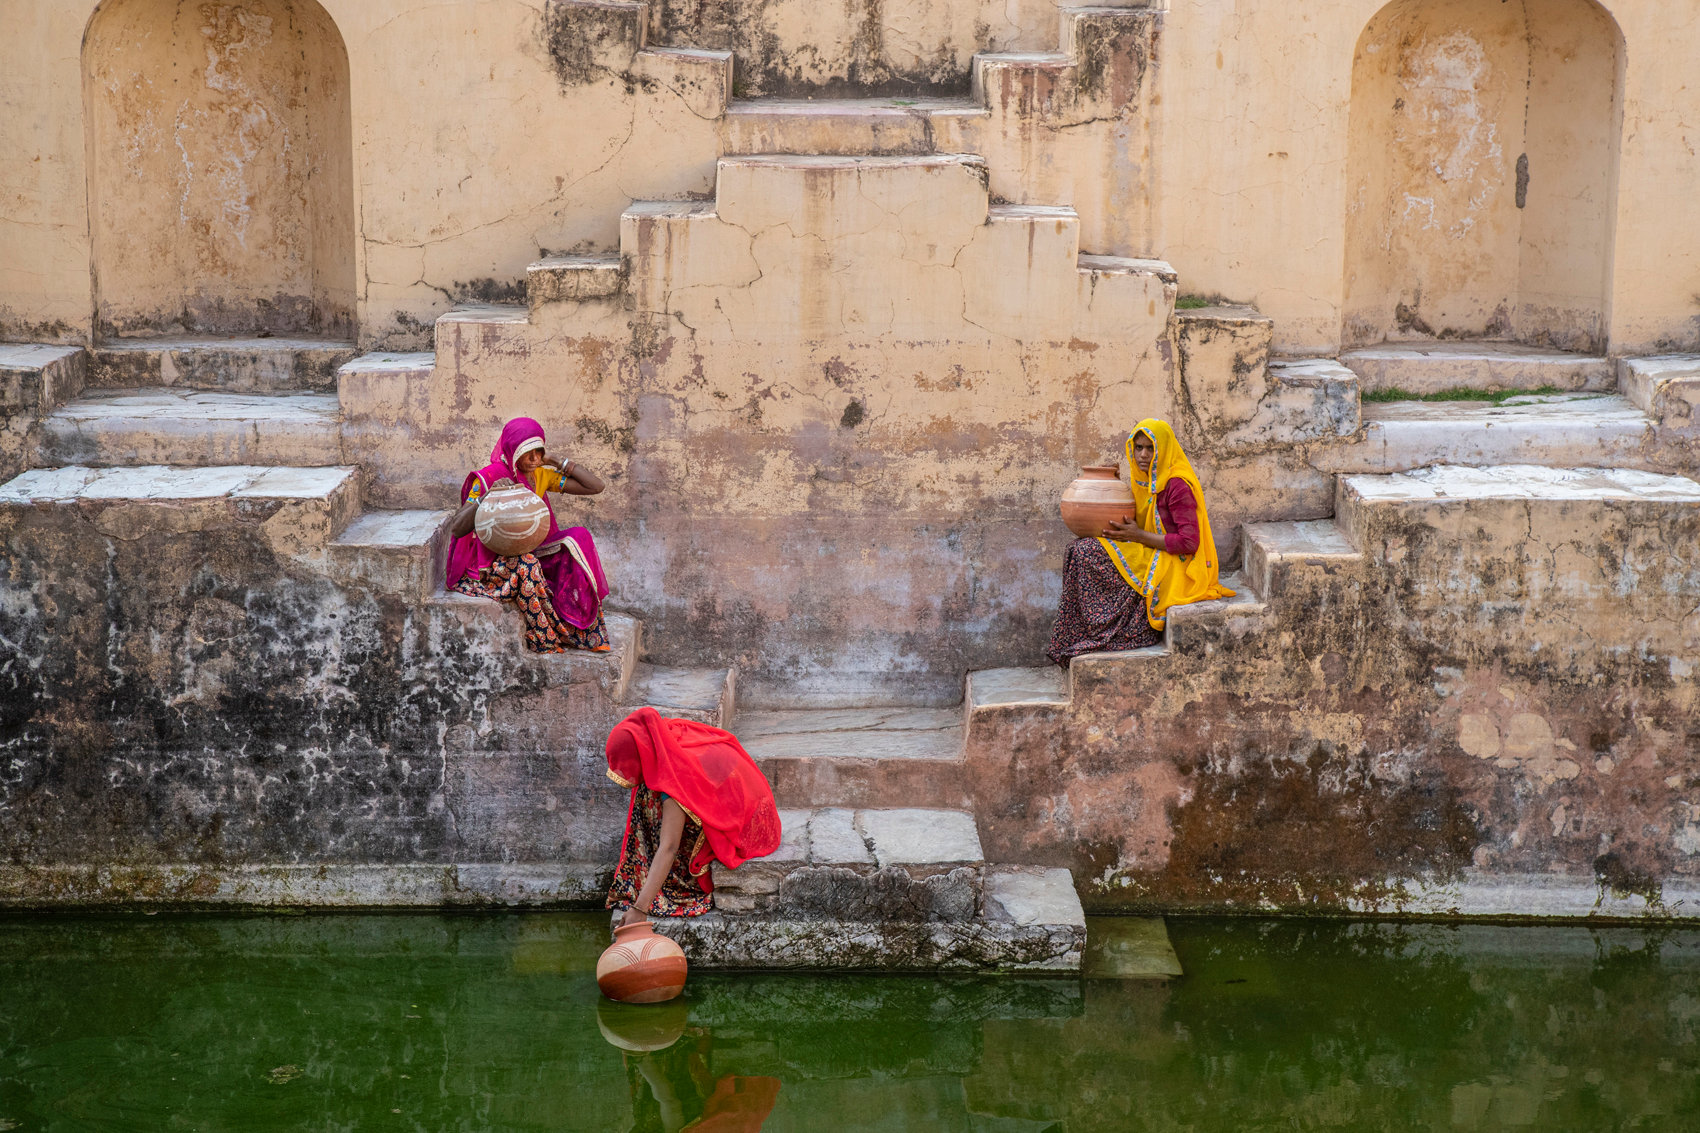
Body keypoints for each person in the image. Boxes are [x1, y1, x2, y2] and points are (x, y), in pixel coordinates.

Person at [1046, 418, 1234, 666]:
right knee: (1078, 549)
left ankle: (1126, 627)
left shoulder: (1176, 485)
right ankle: (1087, 631)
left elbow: (1189, 543)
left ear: (1163, 450)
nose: (1143, 455)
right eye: (1138, 448)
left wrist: (1138, 536)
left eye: (1150, 448)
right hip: (1150, 548)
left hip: (1177, 564)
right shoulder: (1143, 479)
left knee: (1087, 552)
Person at [445, 417, 612, 653]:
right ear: (512, 452)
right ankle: (545, 636)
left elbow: (595, 486)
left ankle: (579, 629)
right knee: (528, 565)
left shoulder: (540, 475)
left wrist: (556, 460)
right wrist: (486, 497)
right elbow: (457, 528)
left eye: (539, 451)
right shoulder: (488, 478)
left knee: (577, 538)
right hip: (496, 560)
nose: (534, 459)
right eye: (527, 452)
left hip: (533, 547)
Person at [604, 707, 781, 926]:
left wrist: (640, 908)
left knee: (655, 803)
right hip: (733, 796)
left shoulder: (674, 778)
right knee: (646, 792)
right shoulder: (660, 737)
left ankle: (672, 877)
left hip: (749, 820)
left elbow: (669, 847)